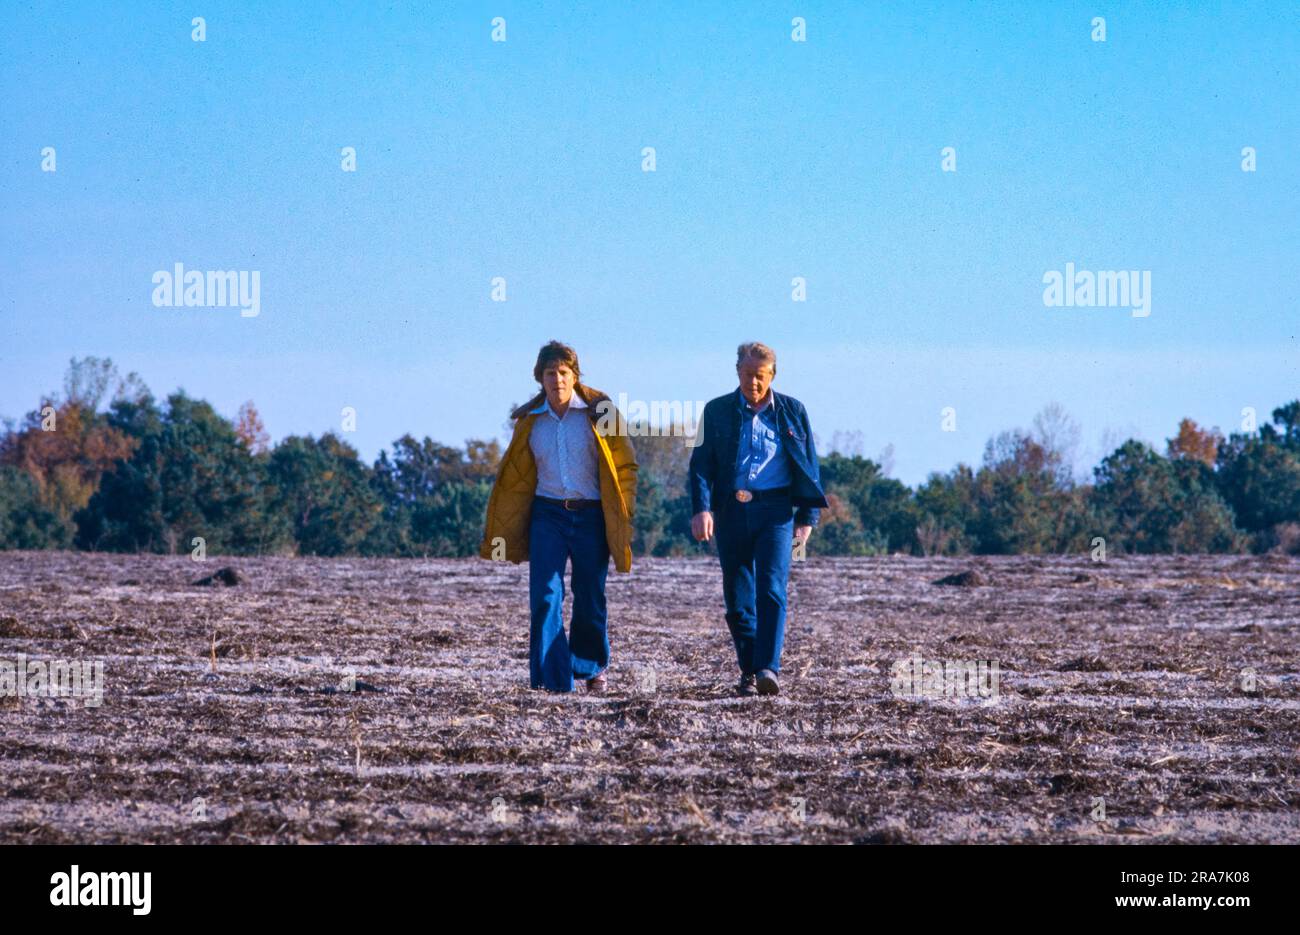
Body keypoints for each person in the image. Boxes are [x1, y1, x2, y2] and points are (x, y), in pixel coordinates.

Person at [479, 341, 638, 693]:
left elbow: (625, 465)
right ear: (540, 378)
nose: (557, 380)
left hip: (592, 515)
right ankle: (556, 680)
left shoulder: (600, 412)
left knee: (590, 594)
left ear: (575, 375)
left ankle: (591, 666)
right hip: (547, 515)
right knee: (545, 597)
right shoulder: (529, 422)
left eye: (564, 373)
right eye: (550, 373)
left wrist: (624, 510)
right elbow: (515, 475)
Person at [688, 342, 828, 696]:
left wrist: (807, 515)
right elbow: (701, 465)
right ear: (737, 372)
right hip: (731, 510)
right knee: (738, 597)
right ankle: (749, 668)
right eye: (748, 374)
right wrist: (702, 509)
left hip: (776, 513)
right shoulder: (716, 411)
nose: (754, 382)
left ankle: (768, 668)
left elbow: (810, 464)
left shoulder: (793, 412)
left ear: (772, 376)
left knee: (772, 590)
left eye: (761, 376)